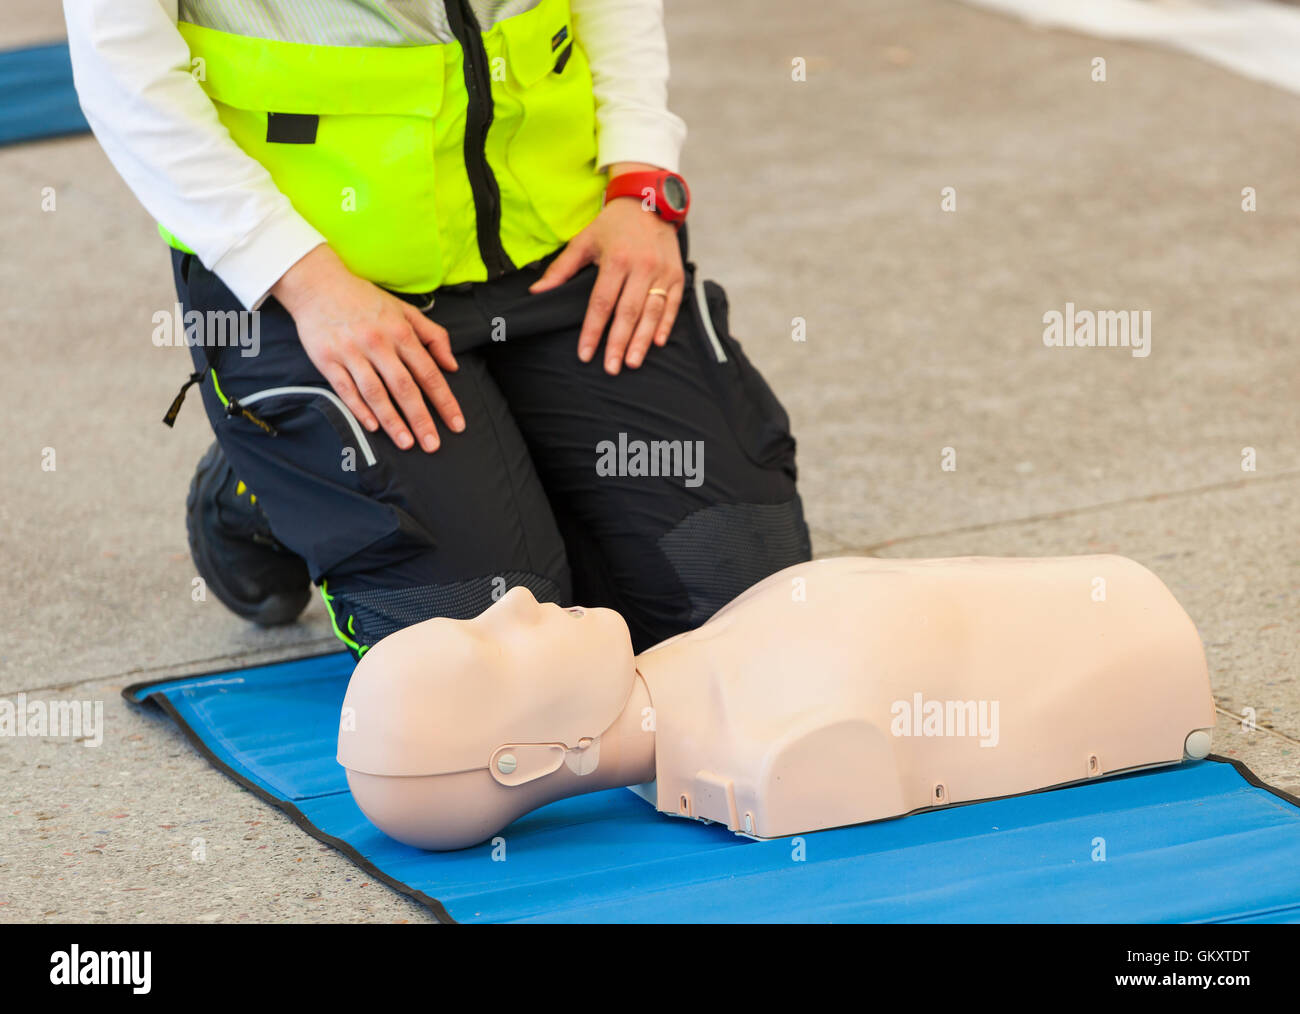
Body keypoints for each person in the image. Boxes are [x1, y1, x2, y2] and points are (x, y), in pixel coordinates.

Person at [65, 0, 813, 655]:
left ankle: (505, 456)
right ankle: (256, 487)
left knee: (740, 601)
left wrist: (642, 177)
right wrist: (300, 274)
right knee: (495, 653)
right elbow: (120, 61)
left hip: (557, 241)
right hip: (328, 282)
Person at [337, 555, 1216, 850]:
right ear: (524, 760)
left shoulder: (717, 660)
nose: (516, 604)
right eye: (493, 649)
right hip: (1145, 641)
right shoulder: (785, 742)